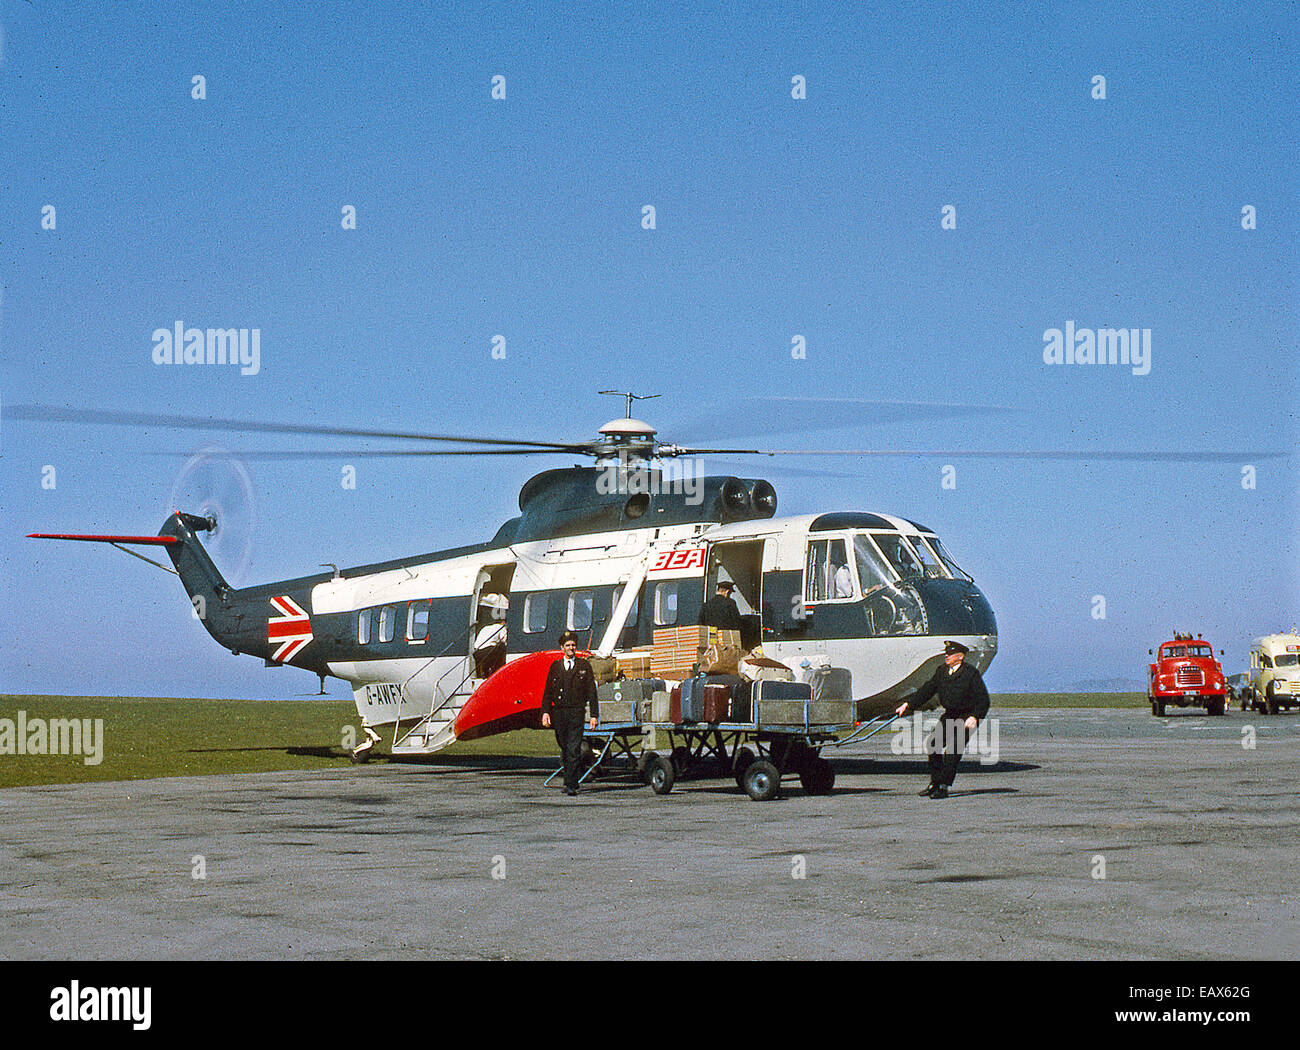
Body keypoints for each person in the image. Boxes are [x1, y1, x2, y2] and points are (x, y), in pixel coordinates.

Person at [894, 640, 989, 799]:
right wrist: (908, 704)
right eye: (947, 653)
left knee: (952, 752)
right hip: (950, 715)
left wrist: (975, 716)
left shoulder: (970, 673)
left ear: (960, 656)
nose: (947, 655)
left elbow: (983, 699)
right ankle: (935, 782)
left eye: (950, 654)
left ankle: (944, 786)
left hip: (966, 717)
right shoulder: (941, 671)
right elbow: (927, 689)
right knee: (933, 744)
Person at [540, 631, 599, 796]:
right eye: (567, 645)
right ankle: (570, 781)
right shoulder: (555, 666)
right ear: (562, 648)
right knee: (564, 747)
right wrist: (545, 712)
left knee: (574, 748)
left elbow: (591, 692)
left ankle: (572, 785)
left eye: (573, 645)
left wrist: (594, 715)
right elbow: (547, 692)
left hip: (576, 712)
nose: (571, 648)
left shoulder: (583, 666)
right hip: (559, 713)